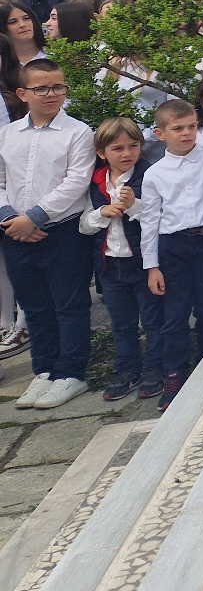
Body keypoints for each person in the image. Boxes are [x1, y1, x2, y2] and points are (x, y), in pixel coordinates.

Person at [0, 60, 96, 410]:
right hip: (15, 232)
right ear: (23, 94)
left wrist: (36, 217)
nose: (51, 94)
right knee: (35, 305)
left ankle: (71, 373)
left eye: (58, 87)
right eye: (41, 88)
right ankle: (45, 369)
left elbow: (75, 182)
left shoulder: (77, 133)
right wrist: (11, 218)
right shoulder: (8, 134)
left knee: (69, 303)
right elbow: (1, 181)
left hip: (62, 231)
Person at [141, 98, 203, 411]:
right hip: (174, 247)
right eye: (178, 128)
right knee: (175, 314)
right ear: (160, 133)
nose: (186, 133)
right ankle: (175, 374)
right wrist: (151, 265)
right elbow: (150, 220)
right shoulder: (154, 174)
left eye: (191, 126)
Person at [80, 118, 162, 402]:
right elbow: (83, 223)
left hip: (142, 263)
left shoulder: (149, 175)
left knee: (153, 320)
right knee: (122, 324)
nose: (126, 154)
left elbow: (158, 217)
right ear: (102, 152)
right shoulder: (95, 181)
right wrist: (102, 213)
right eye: (117, 148)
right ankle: (128, 370)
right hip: (109, 265)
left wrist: (133, 206)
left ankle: (156, 370)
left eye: (133, 146)